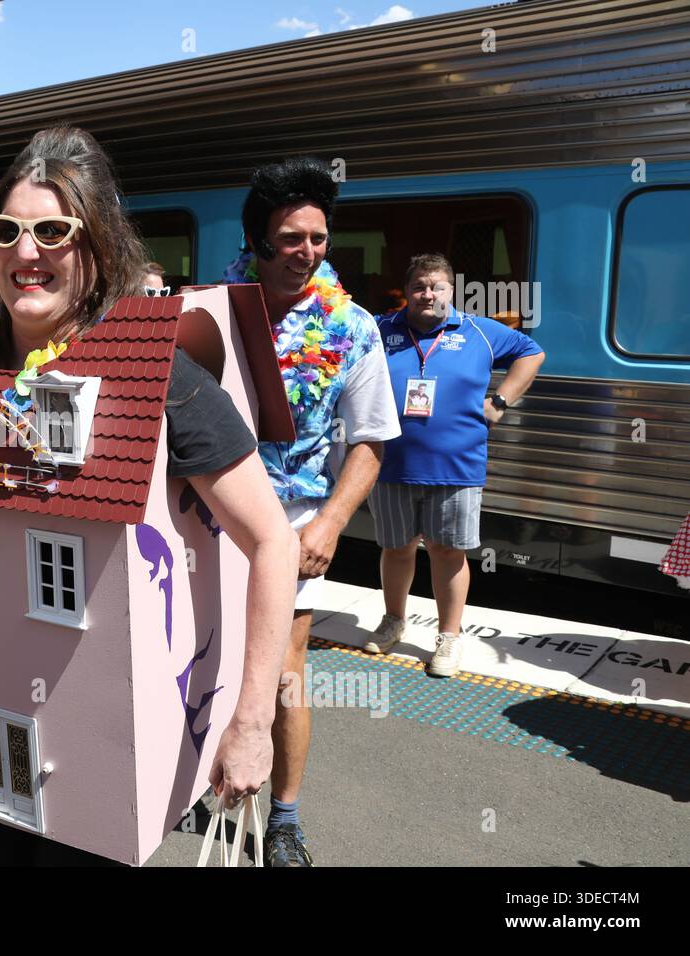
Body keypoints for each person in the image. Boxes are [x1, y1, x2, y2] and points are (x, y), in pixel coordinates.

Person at [0, 126, 298, 864]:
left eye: (54, 231)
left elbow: (273, 540)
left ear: (97, 248)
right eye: (7, 231)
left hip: (92, 774)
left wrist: (250, 723)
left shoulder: (159, 376)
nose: (27, 253)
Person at [221, 157, 401, 866]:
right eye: (291, 239)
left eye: (318, 239)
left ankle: (286, 817)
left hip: (294, 513)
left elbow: (371, 443)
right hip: (207, 510)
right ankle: (210, 774)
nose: (307, 253)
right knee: (202, 648)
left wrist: (329, 521)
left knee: (284, 663)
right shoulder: (214, 308)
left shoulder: (351, 328)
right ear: (259, 242)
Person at [368, 254, 545, 676]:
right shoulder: (379, 329)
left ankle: (448, 638)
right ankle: (394, 620)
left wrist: (501, 401)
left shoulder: (480, 332)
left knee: (448, 553)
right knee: (396, 548)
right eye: (419, 286)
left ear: (452, 291)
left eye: (438, 287)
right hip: (389, 462)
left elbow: (532, 353)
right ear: (407, 290)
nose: (428, 294)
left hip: (457, 466)